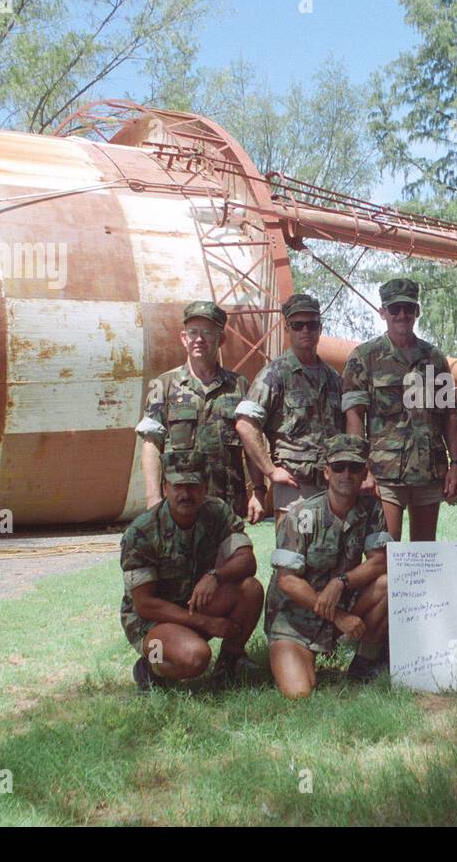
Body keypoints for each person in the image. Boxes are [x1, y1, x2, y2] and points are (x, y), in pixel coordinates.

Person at [119, 451, 265, 691]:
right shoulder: (142, 532)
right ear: (165, 488)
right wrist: (206, 623)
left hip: (194, 603)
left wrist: (215, 576)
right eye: (178, 486)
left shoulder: (217, 512)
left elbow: (247, 561)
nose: (185, 494)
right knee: (196, 657)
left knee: (250, 589)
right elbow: (145, 605)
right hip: (152, 623)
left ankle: (228, 665)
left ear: (204, 487)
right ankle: (150, 666)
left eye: (193, 486)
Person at [264, 434, 393, 699]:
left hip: (341, 601)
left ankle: (363, 663)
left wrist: (341, 581)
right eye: (339, 467)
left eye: (355, 468)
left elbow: (380, 560)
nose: (347, 474)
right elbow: (287, 580)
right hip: (295, 619)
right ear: (326, 472)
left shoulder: (372, 510)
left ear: (364, 473)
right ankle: (299, 654)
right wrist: (339, 618)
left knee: (388, 584)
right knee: (299, 692)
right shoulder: (301, 515)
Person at [342, 278, 457, 541]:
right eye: (395, 309)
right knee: (387, 550)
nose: (402, 315)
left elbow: (449, 415)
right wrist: (362, 467)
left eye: (408, 309)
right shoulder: (365, 357)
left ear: (417, 311)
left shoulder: (434, 358)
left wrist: (456, 464)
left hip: (429, 470)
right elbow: (354, 416)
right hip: (385, 474)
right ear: (382, 312)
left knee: (425, 552)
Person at [136, 300, 258, 514]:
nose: (199, 340)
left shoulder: (239, 386)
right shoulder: (163, 386)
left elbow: (251, 443)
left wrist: (258, 490)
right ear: (184, 339)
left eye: (208, 333)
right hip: (180, 506)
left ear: (221, 339)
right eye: (193, 332)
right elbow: (151, 443)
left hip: (227, 506)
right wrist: (153, 497)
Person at [235, 294, 344, 523]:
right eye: (298, 325)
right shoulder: (274, 375)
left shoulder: (333, 378)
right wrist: (270, 472)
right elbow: (246, 425)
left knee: (330, 556)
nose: (306, 330)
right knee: (293, 557)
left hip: (333, 485)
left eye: (312, 324)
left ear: (320, 328)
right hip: (295, 489)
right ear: (288, 329)